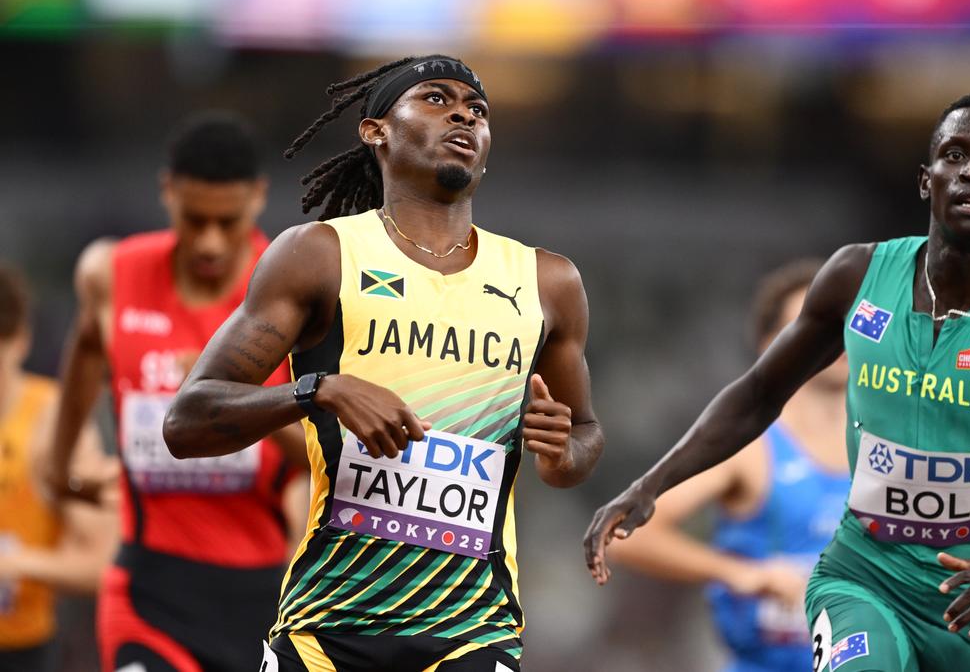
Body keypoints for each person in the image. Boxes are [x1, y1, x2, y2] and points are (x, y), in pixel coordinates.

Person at [586, 93, 970, 671]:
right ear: (927, 180)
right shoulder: (857, 275)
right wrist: (650, 485)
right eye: (956, 154)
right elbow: (760, 392)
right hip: (860, 581)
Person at [163, 54, 603, 672]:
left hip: (471, 632)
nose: (462, 114)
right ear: (375, 130)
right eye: (434, 99)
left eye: (477, 110)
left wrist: (561, 454)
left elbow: (583, 437)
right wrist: (318, 389)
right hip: (328, 630)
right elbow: (186, 421)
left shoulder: (547, 281)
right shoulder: (319, 256)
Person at [607, 260, 970, 672]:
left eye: (855, 320)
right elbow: (628, 532)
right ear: (777, 344)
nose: (843, 336)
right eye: (820, 325)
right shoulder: (752, 450)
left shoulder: (907, 444)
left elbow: (962, 538)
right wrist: (739, 573)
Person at [44, 112, 308, 672]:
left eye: (228, 221)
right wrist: (60, 466)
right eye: (194, 219)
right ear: (167, 191)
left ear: (258, 197)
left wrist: (237, 399)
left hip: (264, 595)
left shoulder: (291, 293)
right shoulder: (110, 273)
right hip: (148, 590)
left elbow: (318, 450)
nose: (210, 241)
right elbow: (87, 351)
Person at [0, 265, 118, 672]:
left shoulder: (51, 424)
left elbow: (103, 562)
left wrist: (16, 563)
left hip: (21, 652)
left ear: (18, 341)